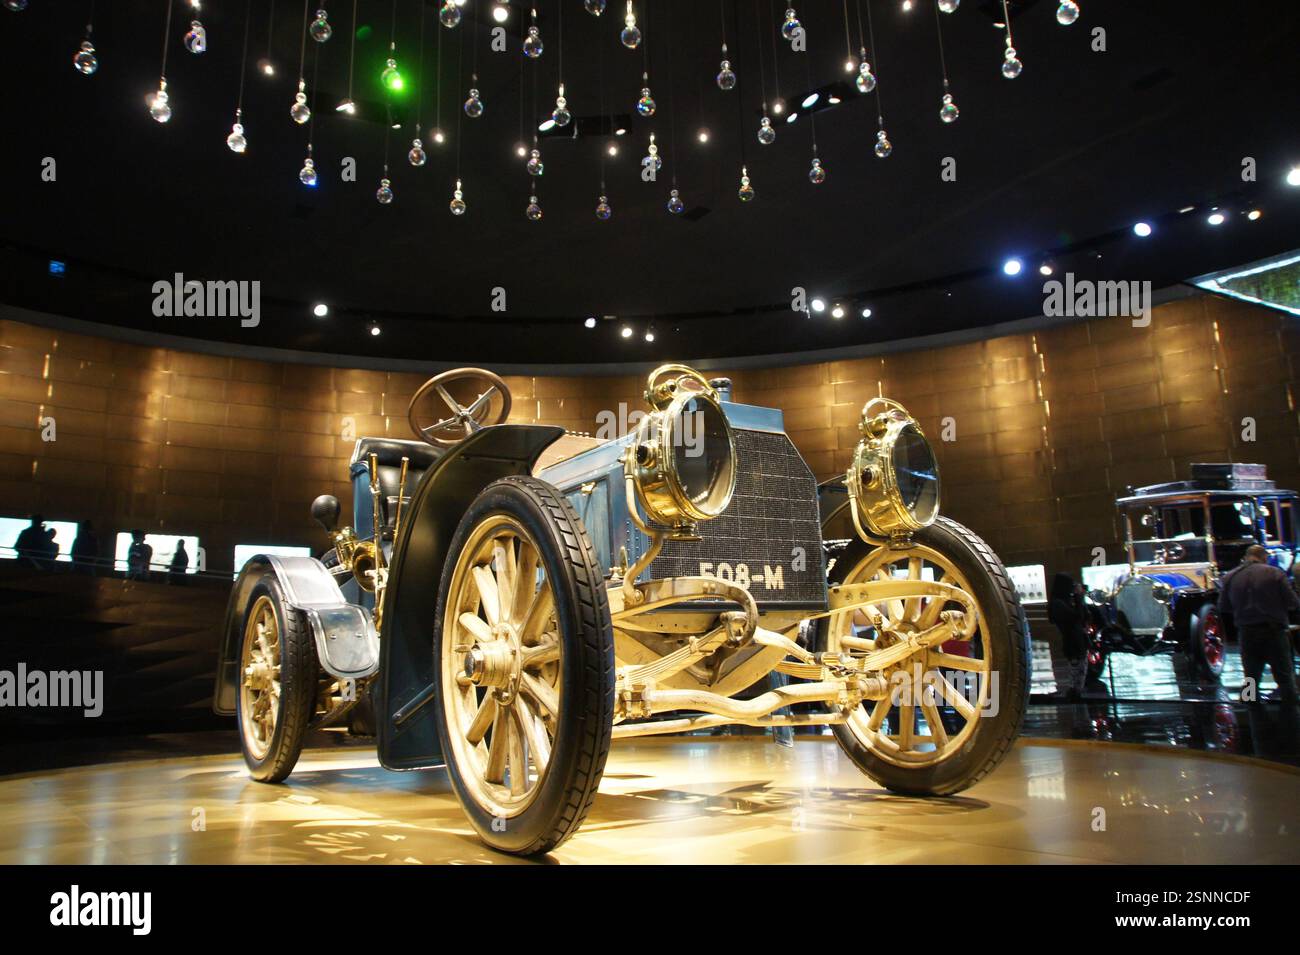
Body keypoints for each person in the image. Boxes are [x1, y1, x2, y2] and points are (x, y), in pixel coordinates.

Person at [1219, 544, 1299, 704]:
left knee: (1250, 677)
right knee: (1284, 677)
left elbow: (1223, 607)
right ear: (1264, 557)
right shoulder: (1275, 574)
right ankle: (1292, 718)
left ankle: (1251, 715)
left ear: (1246, 557)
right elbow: (1293, 603)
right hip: (1274, 632)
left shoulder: (1230, 577)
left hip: (1246, 633)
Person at [1048, 572, 1089, 700]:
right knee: (1076, 669)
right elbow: (1075, 617)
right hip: (1072, 642)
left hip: (1076, 640)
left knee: (1080, 669)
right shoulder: (1057, 604)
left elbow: (1082, 617)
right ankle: (1074, 693)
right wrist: (1078, 598)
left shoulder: (1063, 601)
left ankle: (1076, 692)